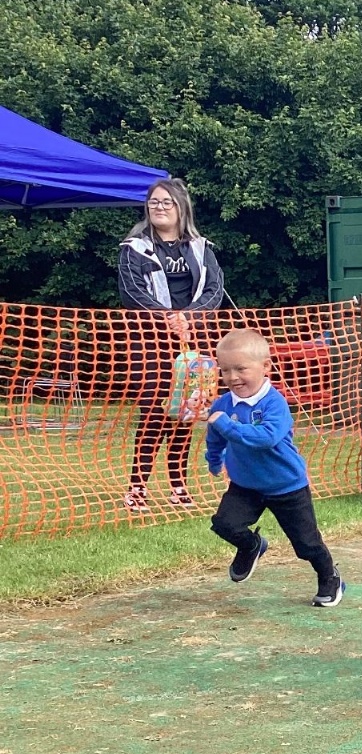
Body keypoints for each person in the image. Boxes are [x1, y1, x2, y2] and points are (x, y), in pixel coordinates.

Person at [205, 329, 345, 606]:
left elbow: (266, 438)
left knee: (306, 545)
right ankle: (251, 545)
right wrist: (214, 459)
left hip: (287, 485)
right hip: (245, 485)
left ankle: (330, 577)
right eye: (225, 370)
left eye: (241, 369)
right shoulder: (223, 404)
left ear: (265, 366)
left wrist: (226, 424)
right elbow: (215, 435)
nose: (233, 377)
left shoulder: (275, 403)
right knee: (224, 524)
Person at [118, 177, 224, 511]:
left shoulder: (201, 248)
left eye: (167, 202)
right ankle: (137, 487)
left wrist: (189, 318)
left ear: (181, 208)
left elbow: (214, 291)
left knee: (186, 413)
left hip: (194, 341)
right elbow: (132, 291)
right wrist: (168, 318)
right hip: (151, 343)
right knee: (153, 414)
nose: (159, 208)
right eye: (154, 202)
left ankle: (178, 485)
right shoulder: (134, 248)